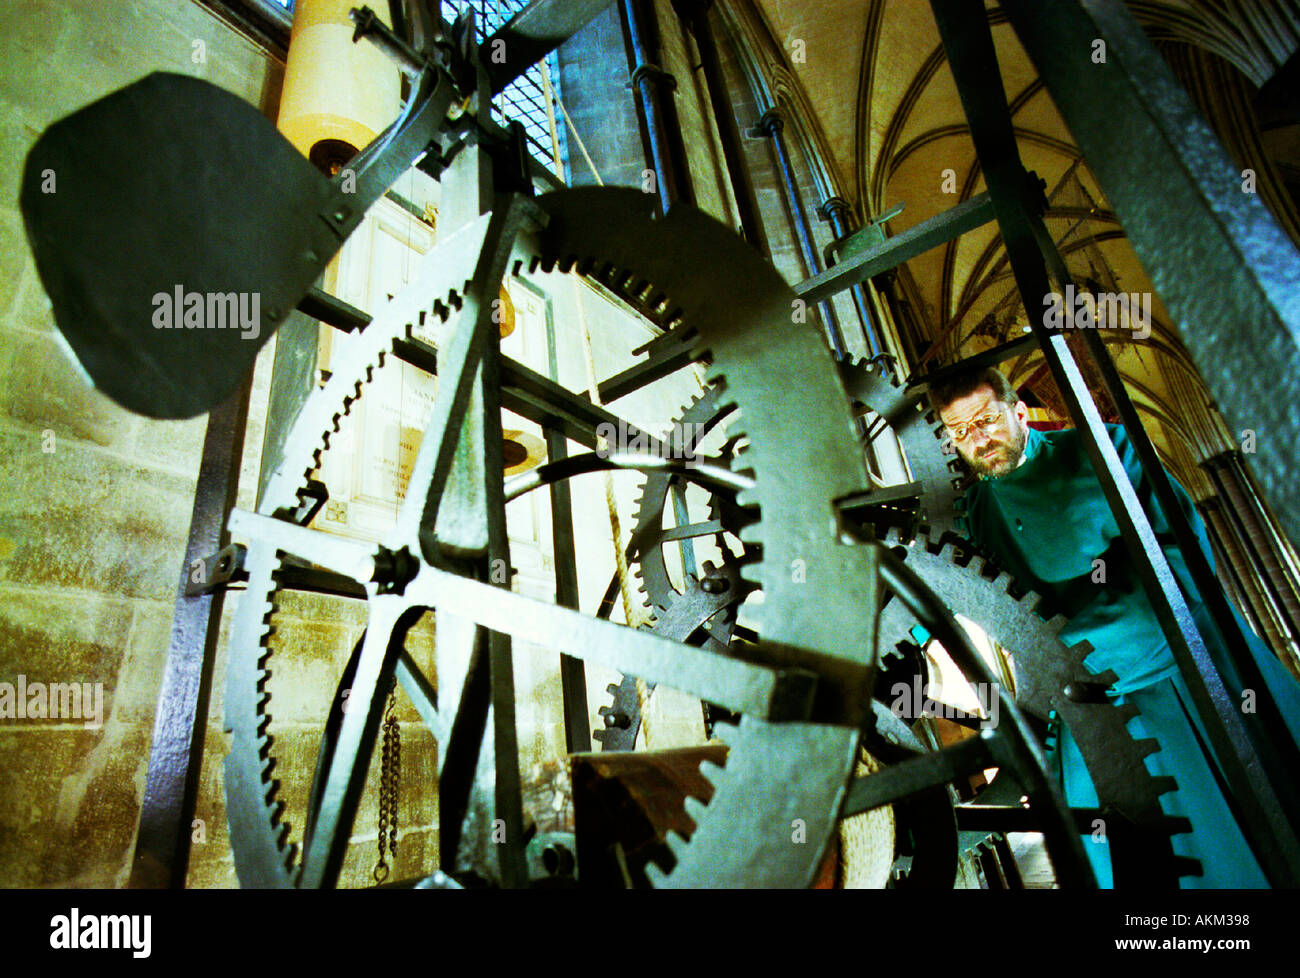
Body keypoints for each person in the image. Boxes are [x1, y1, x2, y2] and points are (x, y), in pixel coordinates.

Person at [927, 365, 1300, 887]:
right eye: (961, 431)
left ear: (1018, 411)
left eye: (987, 419)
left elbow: (1178, 556)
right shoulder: (974, 511)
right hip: (1082, 702)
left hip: (1179, 667)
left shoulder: (1103, 452)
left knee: (1246, 826)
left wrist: (1083, 647)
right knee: (1124, 863)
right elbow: (948, 583)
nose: (979, 437)